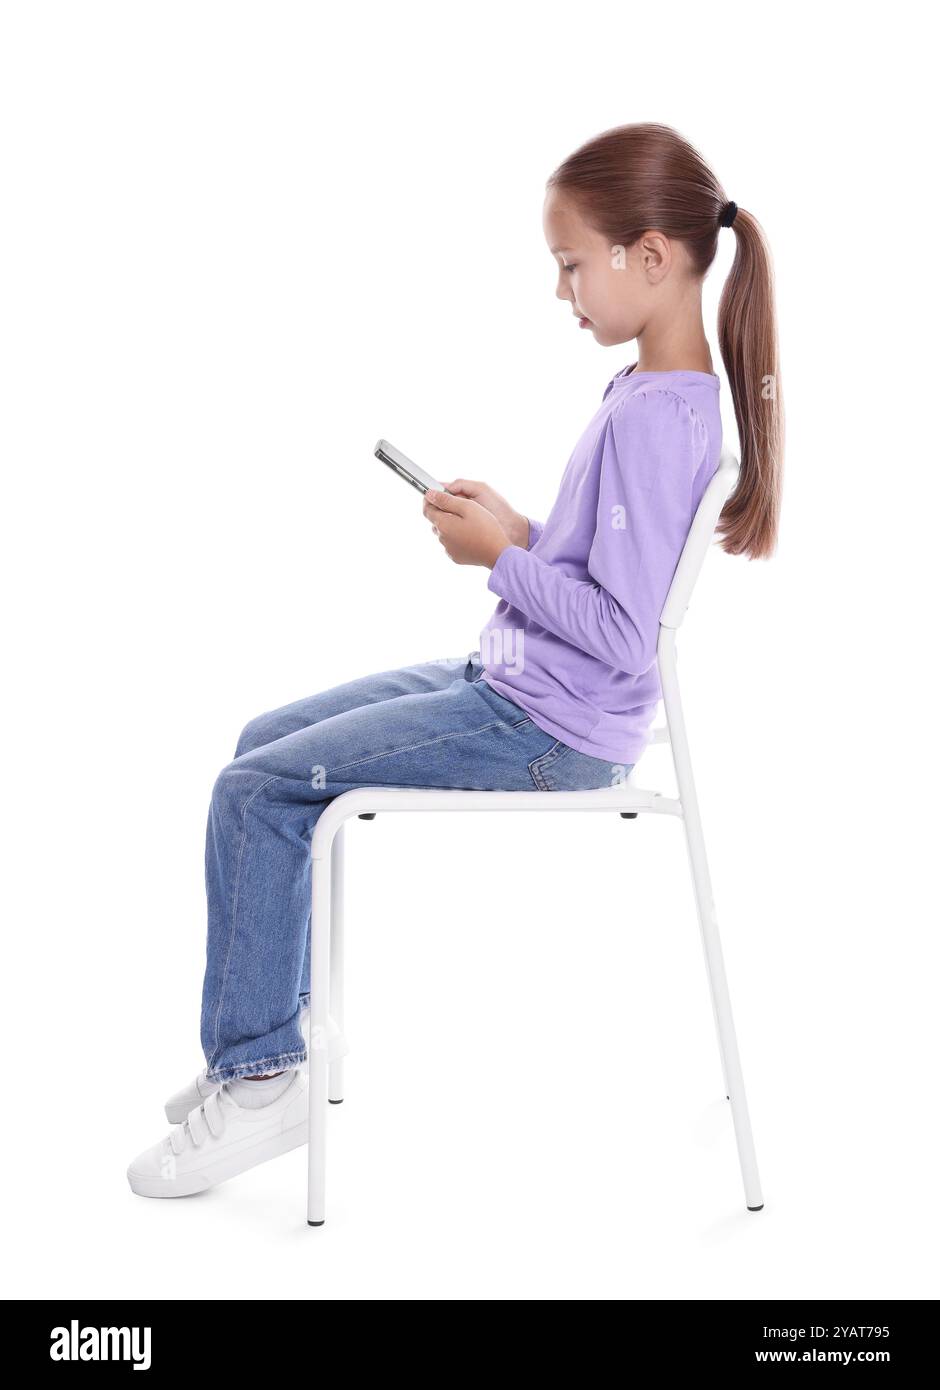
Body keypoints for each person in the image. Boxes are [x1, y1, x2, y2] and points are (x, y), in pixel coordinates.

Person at [126, 120, 784, 1199]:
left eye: (572, 264)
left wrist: (496, 561)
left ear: (650, 258)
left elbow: (624, 636)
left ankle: (262, 1077)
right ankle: (271, 1052)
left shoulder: (660, 420)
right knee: (261, 748)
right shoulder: (648, 397)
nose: (561, 289)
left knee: (252, 794)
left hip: (551, 731)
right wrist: (519, 531)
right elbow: (603, 581)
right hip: (519, 685)